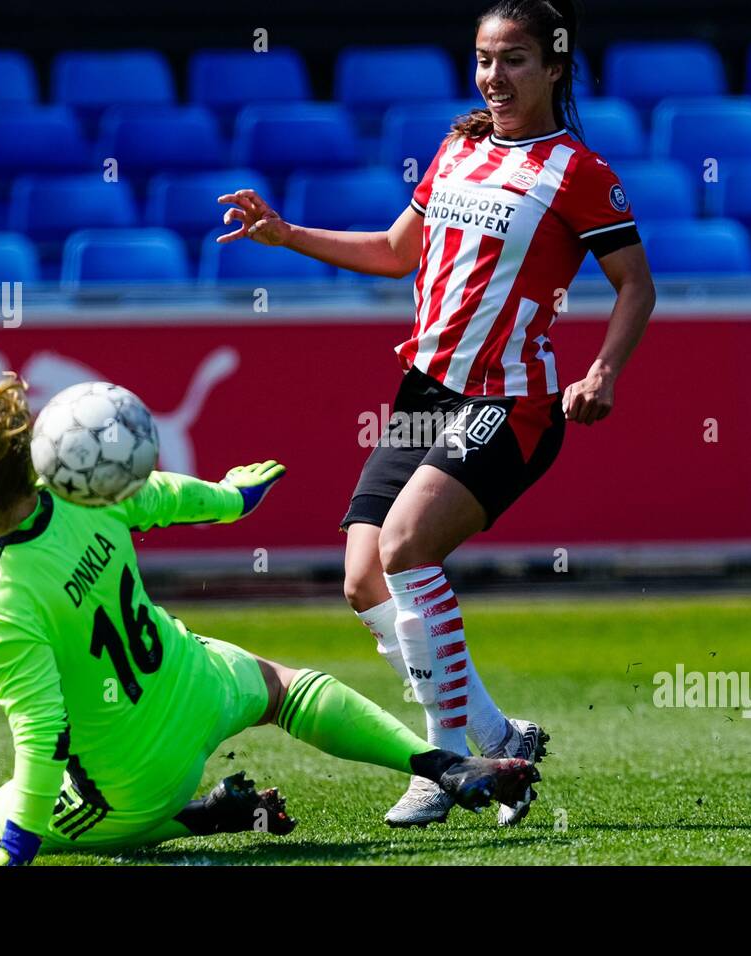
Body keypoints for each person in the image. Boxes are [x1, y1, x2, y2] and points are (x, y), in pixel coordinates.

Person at [215, 0, 656, 826]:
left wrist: (602, 371)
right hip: (424, 393)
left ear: (556, 68)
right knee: (360, 577)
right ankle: (497, 734)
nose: (495, 76)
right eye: (486, 59)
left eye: (516, 60)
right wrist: (286, 235)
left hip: (509, 400)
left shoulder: (578, 172)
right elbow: (396, 252)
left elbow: (637, 283)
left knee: (408, 543)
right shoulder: (457, 147)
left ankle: (445, 759)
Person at [0, 314, 538, 865]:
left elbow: (44, 732)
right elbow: (163, 495)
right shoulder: (80, 494)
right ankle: (440, 765)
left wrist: (15, 845)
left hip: (135, 776)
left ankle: (199, 816)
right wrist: (233, 498)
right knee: (283, 688)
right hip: (198, 683)